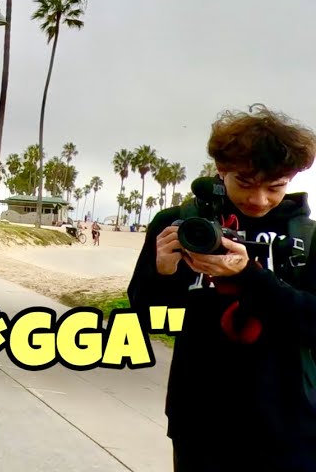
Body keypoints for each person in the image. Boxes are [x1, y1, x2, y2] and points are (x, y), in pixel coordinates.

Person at [126, 105, 316, 471]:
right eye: (244, 183)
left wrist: (248, 275)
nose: (258, 199)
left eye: (275, 187)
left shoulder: (308, 238)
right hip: (200, 420)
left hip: (291, 425)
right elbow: (145, 318)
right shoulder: (181, 225)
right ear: (220, 171)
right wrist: (163, 273)